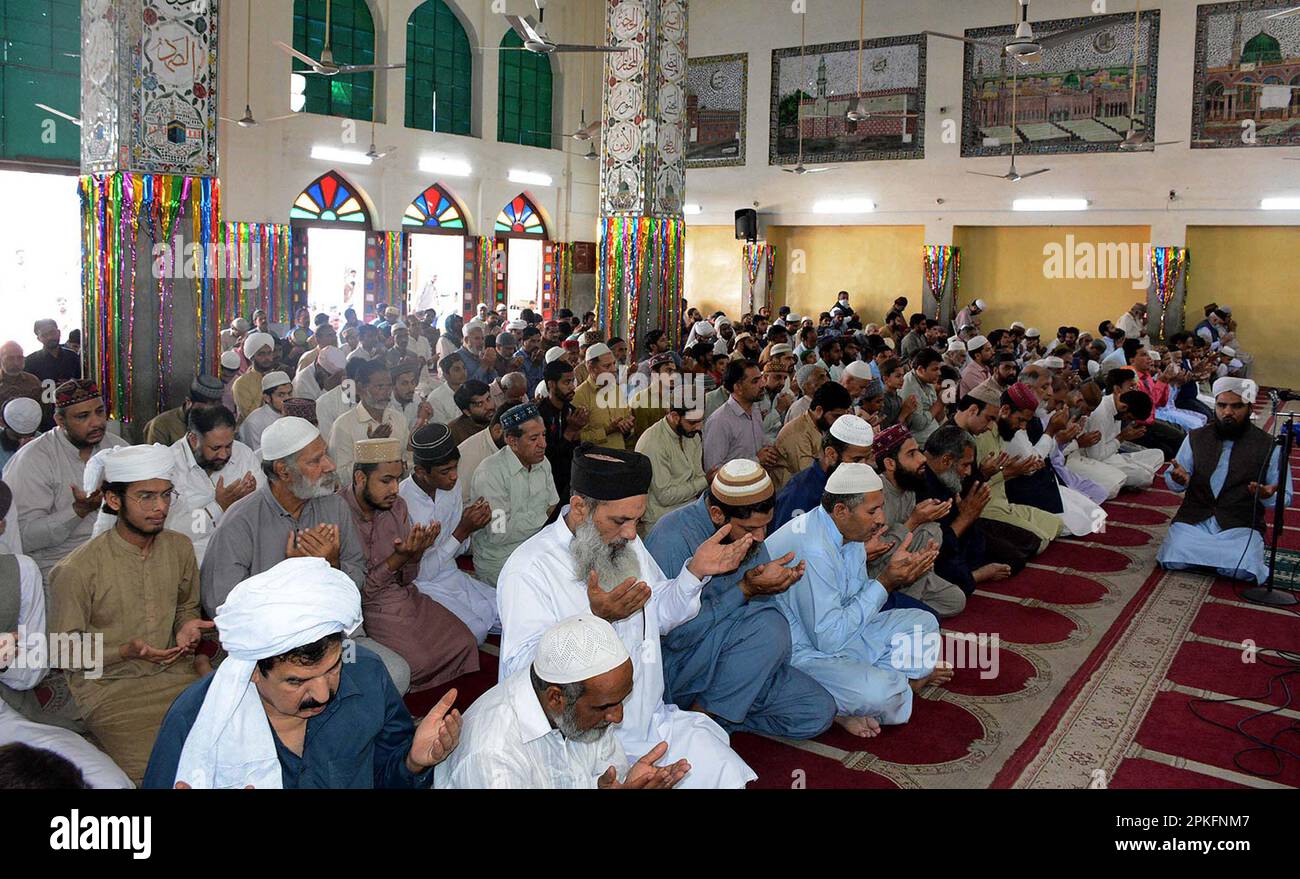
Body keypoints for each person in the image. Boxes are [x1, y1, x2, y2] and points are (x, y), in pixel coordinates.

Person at [497, 445, 757, 787]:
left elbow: (658, 614)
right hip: (581, 748)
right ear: (579, 508)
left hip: (650, 724)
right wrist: (597, 620)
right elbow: (521, 675)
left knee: (730, 775)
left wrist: (694, 573)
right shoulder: (529, 568)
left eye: (638, 520)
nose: (633, 533)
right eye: (620, 520)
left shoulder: (623, 544)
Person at [144, 558, 462, 789]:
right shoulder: (195, 718)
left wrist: (413, 763)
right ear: (253, 670)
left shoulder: (367, 675)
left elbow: (385, 777)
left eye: (333, 667)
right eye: (297, 681)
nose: (323, 694)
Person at [198, 416, 411, 693]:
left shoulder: (334, 507)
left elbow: (357, 576)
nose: (330, 466)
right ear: (283, 472)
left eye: (326, 455)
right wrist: (293, 578)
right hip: (274, 648)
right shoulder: (240, 522)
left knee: (396, 674)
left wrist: (331, 566)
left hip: (334, 636)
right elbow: (224, 608)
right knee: (304, 691)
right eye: (316, 460)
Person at [47, 444, 211, 783]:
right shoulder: (77, 570)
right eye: (146, 497)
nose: (161, 507)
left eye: (166, 495)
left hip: (176, 676)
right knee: (160, 773)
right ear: (114, 500)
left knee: (221, 750)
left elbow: (186, 606)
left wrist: (186, 629)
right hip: (110, 689)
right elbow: (62, 651)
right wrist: (125, 651)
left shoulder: (179, 548)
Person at [645, 461, 837, 739]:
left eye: (765, 525)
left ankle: (719, 713)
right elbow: (673, 637)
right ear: (716, 513)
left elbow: (761, 620)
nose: (760, 537)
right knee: (768, 628)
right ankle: (698, 726)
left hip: (738, 664)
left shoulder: (753, 537)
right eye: (750, 528)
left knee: (818, 711)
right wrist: (744, 590)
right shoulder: (672, 537)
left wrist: (769, 587)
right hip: (682, 667)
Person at [765, 464, 952, 734]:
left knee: (924, 623)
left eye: (881, 508)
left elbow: (856, 601)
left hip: (842, 635)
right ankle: (898, 687)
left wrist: (894, 578)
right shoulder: (813, 549)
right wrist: (886, 582)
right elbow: (827, 639)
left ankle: (877, 690)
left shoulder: (849, 532)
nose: (881, 519)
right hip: (805, 653)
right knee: (878, 692)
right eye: (872, 511)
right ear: (841, 510)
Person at [437, 614, 692, 789]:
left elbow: (601, 771)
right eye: (605, 707)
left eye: (621, 701)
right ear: (556, 698)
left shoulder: (587, 707)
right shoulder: (493, 758)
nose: (618, 717)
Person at [0, 481, 132, 788]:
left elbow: (31, 674)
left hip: (6, 716)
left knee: (108, 782)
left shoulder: (19, 572)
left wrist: (5, 661)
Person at [344, 438, 480, 692]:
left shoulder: (397, 507)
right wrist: (398, 559)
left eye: (397, 479)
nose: (395, 489)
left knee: (464, 641)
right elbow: (356, 589)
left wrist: (414, 555)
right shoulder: (339, 513)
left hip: (403, 594)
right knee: (417, 663)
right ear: (361, 478)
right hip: (364, 607)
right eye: (386, 481)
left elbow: (407, 579)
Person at [1157, 379, 1292, 584]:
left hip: (1239, 525)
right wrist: (1179, 480)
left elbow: (1285, 495)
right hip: (1196, 521)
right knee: (1173, 556)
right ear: (1215, 406)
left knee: (1244, 568)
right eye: (1222, 405)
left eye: (1236, 406)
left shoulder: (1270, 446)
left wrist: (1267, 495)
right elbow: (1175, 476)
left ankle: (1217, 558)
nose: (1227, 412)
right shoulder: (1195, 437)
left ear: (1249, 408)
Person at [5, 380, 128, 579]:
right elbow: (22, 536)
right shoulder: (33, 460)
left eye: (99, 411)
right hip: (58, 568)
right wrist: (78, 511)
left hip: (116, 561)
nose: (96, 422)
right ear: (60, 421)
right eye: (83, 416)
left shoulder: (117, 448)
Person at [401, 424, 498, 642]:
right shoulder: (402, 502)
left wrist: (473, 526)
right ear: (421, 472)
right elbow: (420, 572)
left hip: (451, 573)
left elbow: (458, 549)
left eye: (456, 467)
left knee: (508, 610)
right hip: (423, 585)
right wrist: (463, 531)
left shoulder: (450, 487)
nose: (454, 477)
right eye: (446, 471)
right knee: (477, 630)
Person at [470, 403, 558, 588]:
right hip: (500, 559)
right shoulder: (490, 474)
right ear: (512, 441)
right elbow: (499, 532)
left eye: (543, 435)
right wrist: (545, 518)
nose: (543, 444)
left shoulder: (543, 463)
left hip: (536, 548)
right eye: (534, 438)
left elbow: (553, 507)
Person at [164, 405, 263, 565]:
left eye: (229, 445)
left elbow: (262, 512)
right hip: (191, 567)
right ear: (194, 439)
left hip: (240, 561)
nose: (224, 454)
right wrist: (218, 507)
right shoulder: (170, 466)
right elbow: (172, 532)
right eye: (215, 448)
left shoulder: (243, 454)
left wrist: (248, 501)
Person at [772, 414, 876, 530]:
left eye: (867, 458)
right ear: (831, 454)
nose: (863, 466)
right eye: (856, 460)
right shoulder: (800, 494)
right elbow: (789, 544)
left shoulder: (854, 484)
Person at [328, 360, 410, 475]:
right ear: (361, 388)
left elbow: (407, 463)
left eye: (389, 386)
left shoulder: (398, 419)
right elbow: (340, 477)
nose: (387, 392)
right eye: (380, 386)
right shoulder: (343, 426)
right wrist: (371, 449)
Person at [635, 404, 707, 534]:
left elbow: (698, 475)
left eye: (700, 420)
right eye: (693, 422)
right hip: (661, 522)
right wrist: (706, 481)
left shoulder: (692, 434)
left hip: (690, 513)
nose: (699, 427)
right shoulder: (653, 443)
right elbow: (665, 496)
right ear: (674, 417)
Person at [771, 381, 852, 491]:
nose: (839, 421)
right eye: (836, 416)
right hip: (792, 496)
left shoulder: (821, 425)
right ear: (819, 410)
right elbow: (808, 476)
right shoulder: (797, 434)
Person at [703, 359, 778, 477]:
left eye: (761, 378)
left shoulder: (755, 410)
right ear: (738, 388)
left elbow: (758, 444)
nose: (763, 384)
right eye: (755, 381)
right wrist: (757, 460)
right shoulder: (720, 421)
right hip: (734, 493)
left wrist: (768, 451)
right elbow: (714, 473)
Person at [1081, 386, 1165, 489]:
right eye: (1129, 418)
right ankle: (1133, 475)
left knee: (1158, 454)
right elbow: (1096, 456)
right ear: (1124, 407)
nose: (1128, 421)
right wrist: (1121, 437)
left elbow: (1113, 446)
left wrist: (1123, 438)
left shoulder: (1118, 409)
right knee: (1144, 477)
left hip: (1114, 457)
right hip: (1098, 461)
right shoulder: (1100, 413)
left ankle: (1134, 473)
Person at [538, 359, 587, 501]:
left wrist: (577, 433)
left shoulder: (572, 411)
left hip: (569, 483)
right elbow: (547, 457)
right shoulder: (539, 415)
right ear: (551, 384)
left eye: (573, 381)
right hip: (546, 485)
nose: (572, 387)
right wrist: (570, 431)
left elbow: (574, 453)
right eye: (566, 382)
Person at [572, 343, 635, 450]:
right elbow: (576, 437)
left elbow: (627, 416)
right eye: (607, 366)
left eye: (613, 364)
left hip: (620, 456)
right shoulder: (579, 396)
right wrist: (607, 430)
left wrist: (628, 425)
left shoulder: (616, 389)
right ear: (591, 368)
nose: (614, 369)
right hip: (594, 462)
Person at [143, 376, 226, 447]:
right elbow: (157, 461)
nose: (209, 416)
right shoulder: (161, 425)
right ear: (188, 402)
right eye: (204, 411)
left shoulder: (218, 421)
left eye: (214, 410)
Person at [238, 370, 291, 453]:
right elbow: (258, 456)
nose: (288, 399)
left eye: (290, 393)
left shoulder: (294, 413)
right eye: (281, 395)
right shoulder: (254, 422)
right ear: (267, 398)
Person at [0, 340, 48, 431]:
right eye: (10, 358)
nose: (16, 362)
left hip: (31, 433)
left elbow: (43, 411)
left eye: (20, 358)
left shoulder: (33, 381)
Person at [231, 332, 278, 423]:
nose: (267, 358)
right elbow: (251, 417)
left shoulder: (277, 376)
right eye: (261, 354)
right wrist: (265, 383)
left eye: (269, 353)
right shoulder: (241, 383)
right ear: (251, 357)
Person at [24, 320, 80, 387]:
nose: (50, 337)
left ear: (59, 332)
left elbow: (80, 382)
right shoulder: (30, 362)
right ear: (39, 339)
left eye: (52, 332)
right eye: (44, 335)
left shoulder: (72, 356)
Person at [0, 398, 41, 477]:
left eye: (31, 435)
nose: (25, 440)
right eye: (18, 436)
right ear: (2, 423)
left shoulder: (43, 440)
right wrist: (20, 457)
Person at [447, 379, 494, 447]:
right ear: (467, 412)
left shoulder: (501, 417)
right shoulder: (455, 432)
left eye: (488, 399)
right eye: (480, 404)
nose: (489, 407)